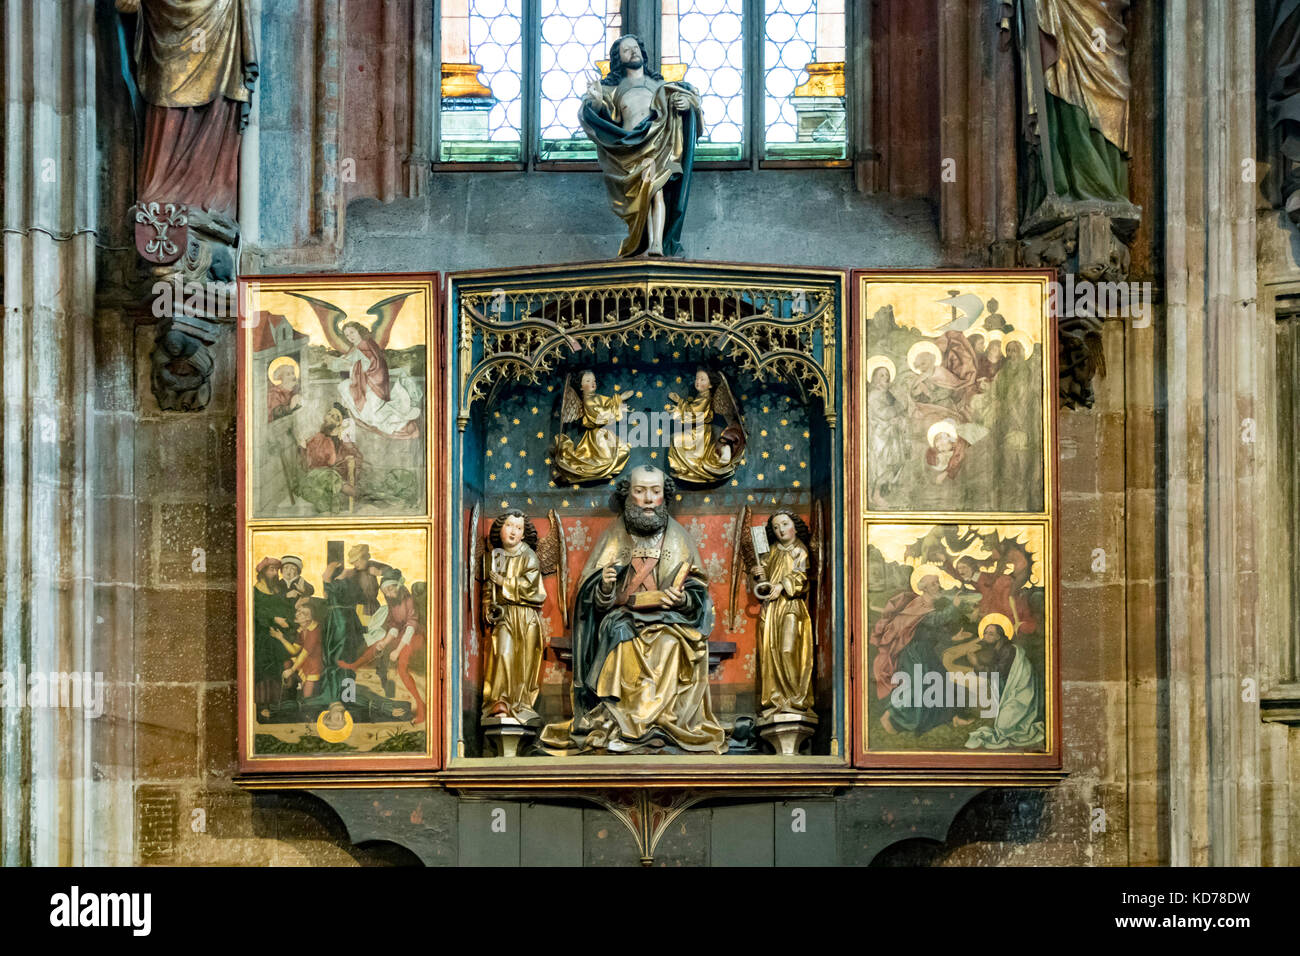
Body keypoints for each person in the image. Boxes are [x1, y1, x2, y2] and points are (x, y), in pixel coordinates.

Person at [540, 465, 726, 753]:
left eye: (655, 492)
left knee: (670, 644)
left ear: (665, 495)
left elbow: (698, 592)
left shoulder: (679, 538)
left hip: (670, 621)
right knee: (619, 634)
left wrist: (682, 599)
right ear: (629, 496)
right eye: (640, 492)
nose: (649, 499)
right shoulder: (613, 537)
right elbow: (592, 601)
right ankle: (620, 724)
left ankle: (660, 723)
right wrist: (603, 587)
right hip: (623, 618)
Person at [581, 34, 703, 257]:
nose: (633, 52)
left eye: (636, 48)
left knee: (656, 191)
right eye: (626, 50)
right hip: (633, 149)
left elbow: (689, 99)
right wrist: (597, 101)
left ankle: (657, 244)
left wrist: (688, 104)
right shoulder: (614, 88)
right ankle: (647, 242)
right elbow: (601, 116)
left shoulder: (660, 84)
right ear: (618, 59)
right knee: (645, 195)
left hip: (660, 144)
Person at [480, 511, 548, 723]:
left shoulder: (529, 555)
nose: (513, 531)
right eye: (509, 525)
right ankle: (499, 702)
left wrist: (504, 582)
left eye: (518, 528)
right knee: (503, 653)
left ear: (523, 534)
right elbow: (487, 589)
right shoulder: (493, 557)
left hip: (526, 616)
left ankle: (522, 704)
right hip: (504, 616)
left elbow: (532, 587)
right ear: (500, 529)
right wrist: (486, 607)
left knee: (524, 662)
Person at [338, 570, 426, 725]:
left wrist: (397, 650)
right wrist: (384, 643)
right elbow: (394, 626)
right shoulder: (393, 603)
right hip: (402, 634)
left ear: (399, 585)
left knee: (402, 668)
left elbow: (411, 626)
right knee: (377, 644)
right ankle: (354, 666)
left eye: (391, 589)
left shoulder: (409, 600)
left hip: (414, 636)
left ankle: (421, 708)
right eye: (386, 592)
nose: (390, 594)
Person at [754, 511, 815, 719]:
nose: (780, 530)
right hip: (771, 610)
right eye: (776, 527)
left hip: (791, 606)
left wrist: (782, 585)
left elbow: (802, 576)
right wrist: (759, 575)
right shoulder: (771, 551)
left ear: (795, 526)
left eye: (784, 524)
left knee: (789, 650)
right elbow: (762, 578)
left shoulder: (800, 550)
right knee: (770, 653)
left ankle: (796, 700)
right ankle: (776, 699)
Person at [550, 371, 631, 483]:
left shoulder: (596, 397)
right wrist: (618, 407)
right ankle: (573, 472)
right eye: (588, 381)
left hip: (604, 433)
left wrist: (619, 399)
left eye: (594, 380)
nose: (593, 383)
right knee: (606, 460)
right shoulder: (588, 401)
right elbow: (599, 415)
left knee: (623, 450)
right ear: (581, 387)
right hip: (596, 436)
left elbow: (608, 403)